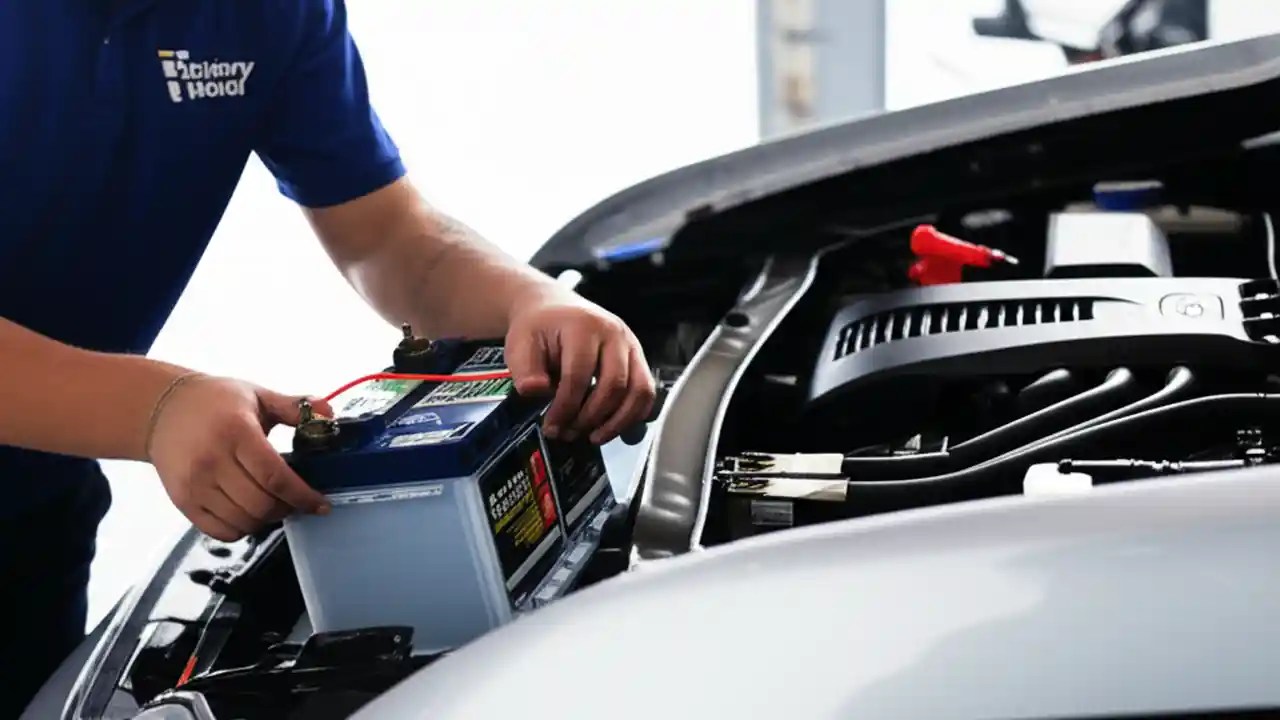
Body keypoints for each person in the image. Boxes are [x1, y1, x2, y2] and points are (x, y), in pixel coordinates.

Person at [0, 1, 656, 714]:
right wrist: (153, 409)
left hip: (32, 513)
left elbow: (386, 238)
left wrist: (530, 301)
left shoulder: (273, 15)